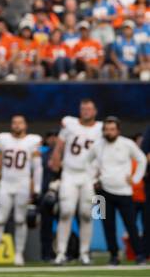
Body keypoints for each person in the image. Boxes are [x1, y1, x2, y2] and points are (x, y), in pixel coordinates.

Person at [0, 115, 40, 267]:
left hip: (23, 183)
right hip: (6, 183)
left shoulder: (32, 141)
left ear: (25, 125)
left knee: (20, 220)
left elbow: (37, 168)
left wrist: (35, 188)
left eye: (20, 122)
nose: (16, 125)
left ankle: (19, 254)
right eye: (14, 122)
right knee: (0, 219)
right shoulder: (3, 139)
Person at [92, 116, 147, 266]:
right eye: (106, 129)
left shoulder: (127, 144)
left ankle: (139, 255)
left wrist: (136, 179)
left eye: (112, 129)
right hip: (102, 193)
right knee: (106, 225)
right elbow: (87, 162)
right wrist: (93, 179)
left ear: (118, 130)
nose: (109, 132)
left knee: (131, 225)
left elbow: (142, 159)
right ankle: (113, 256)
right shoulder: (97, 145)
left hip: (125, 191)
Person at [55, 99, 101, 265]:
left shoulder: (101, 128)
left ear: (95, 111)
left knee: (87, 214)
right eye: (83, 109)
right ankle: (61, 252)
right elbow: (59, 145)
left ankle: (84, 253)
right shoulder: (70, 123)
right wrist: (55, 161)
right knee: (66, 211)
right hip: (69, 173)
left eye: (89, 109)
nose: (86, 111)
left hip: (89, 176)